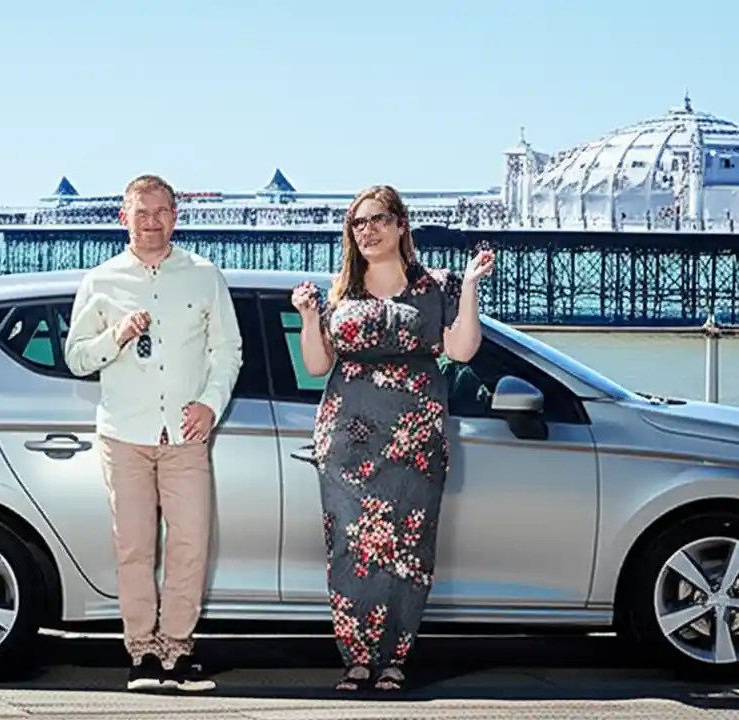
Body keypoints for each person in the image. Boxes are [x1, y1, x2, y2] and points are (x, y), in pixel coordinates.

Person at [290, 185, 493, 692]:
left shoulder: (435, 286)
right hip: (347, 441)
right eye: (358, 224)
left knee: (409, 548)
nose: (368, 231)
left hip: (414, 436)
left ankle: (395, 659)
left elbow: (461, 350)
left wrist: (468, 286)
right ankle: (356, 659)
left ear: (402, 224)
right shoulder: (338, 293)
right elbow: (317, 365)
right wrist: (309, 317)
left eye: (378, 219)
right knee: (350, 547)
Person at [64, 174, 243, 693]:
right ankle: (141, 652)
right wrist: (116, 335)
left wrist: (211, 405)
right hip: (125, 434)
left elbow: (227, 351)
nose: (151, 221)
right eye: (141, 212)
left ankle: (178, 651)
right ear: (124, 217)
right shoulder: (101, 280)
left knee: (190, 546)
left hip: (185, 435)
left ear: (175, 215)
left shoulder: (205, 275)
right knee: (135, 547)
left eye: (161, 211)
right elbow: (76, 358)